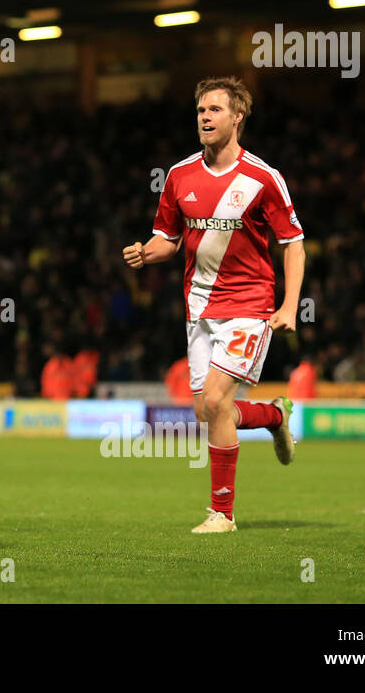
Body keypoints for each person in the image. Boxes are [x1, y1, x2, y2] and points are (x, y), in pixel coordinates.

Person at [122, 77, 304, 534]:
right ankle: (276, 414)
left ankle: (222, 513)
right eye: (201, 109)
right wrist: (146, 252)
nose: (204, 117)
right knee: (209, 412)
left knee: (219, 400)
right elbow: (168, 239)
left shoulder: (263, 178)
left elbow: (294, 243)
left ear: (237, 116)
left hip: (250, 304)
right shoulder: (179, 175)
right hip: (198, 308)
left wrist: (289, 305)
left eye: (214, 110)